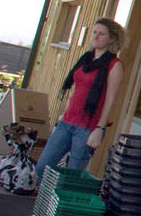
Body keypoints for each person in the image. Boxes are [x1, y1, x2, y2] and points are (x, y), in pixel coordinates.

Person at [35, 18, 125, 181]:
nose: (96, 36)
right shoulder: (86, 59)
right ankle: (49, 201)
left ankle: (60, 205)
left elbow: (109, 100)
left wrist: (99, 129)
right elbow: (76, 88)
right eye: (95, 32)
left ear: (111, 39)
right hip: (67, 122)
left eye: (102, 34)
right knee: (43, 166)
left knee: (72, 177)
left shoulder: (114, 65)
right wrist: (64, 113)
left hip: (88, 128)